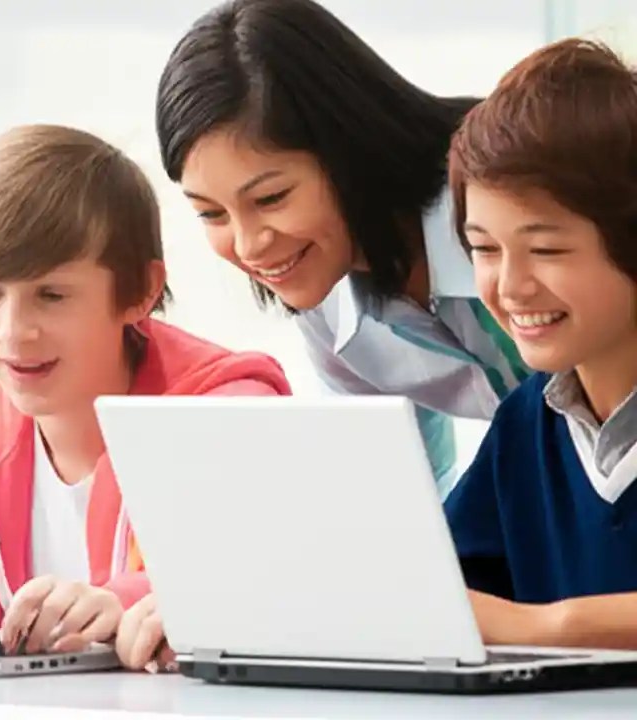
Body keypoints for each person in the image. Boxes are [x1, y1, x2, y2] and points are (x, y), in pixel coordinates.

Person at [0, 124, 290, 660]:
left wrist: (123, 601)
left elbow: (266, 572)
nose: (13, 333)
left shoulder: (222, 410)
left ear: (141, 292)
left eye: (52, 295)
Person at [155, 0, 529, 494]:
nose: (249, 246)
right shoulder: (322, 296)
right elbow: (399, 488)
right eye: (211, 213)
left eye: (270, 198)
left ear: (348, 146)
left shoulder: (504, 198)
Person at [445, 39, 637, 649]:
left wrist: (550, 626)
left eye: (546, 249)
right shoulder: (526, 422)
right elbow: (435, 590)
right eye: (484, 249)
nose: (510, 286)